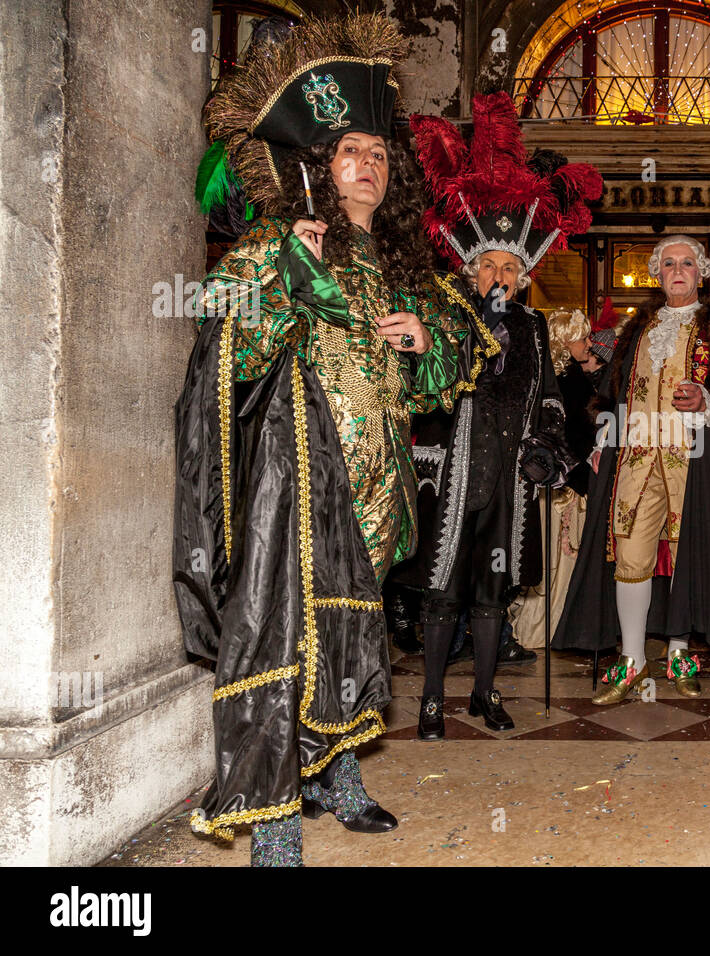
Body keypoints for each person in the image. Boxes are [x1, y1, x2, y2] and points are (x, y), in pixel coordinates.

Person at [173, 13, 481, 866]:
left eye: (381, 155)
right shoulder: (281, 242)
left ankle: (338, 773)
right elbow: (227, 339)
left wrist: (426, 341)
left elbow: (455, 361)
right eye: (352, 151)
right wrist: (282, 271)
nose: (369, 166)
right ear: (317, 164)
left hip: (379, 481)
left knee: (353, 632)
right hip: (297, 474)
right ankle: (274, 819)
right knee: (279, 632)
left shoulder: (410, 271)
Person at [399, 93, 600, 740]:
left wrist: (548, 444)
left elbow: (545, 393)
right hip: (454, 475)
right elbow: (426, 387)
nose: (497, 273)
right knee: (442, 590)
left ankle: (484, 695)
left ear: (524, 273)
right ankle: (432, 701)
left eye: (509, 266)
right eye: (487, 263)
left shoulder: (537, 326)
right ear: (470, 266)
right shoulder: (447, 313)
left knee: (493, 593)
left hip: (510, 480)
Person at [552, 234, 710, 703]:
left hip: (693, 465)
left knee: (684, 556)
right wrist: (604, 439)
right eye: (669, 263)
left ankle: (678, 654)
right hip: (634, 462)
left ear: (702, 272)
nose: (678, 270)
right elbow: (613, 396)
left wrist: (707, 401)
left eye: (687, 263)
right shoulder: (637, 329)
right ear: (657, 273)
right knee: (630, 558)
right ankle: (632, 660)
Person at [511, 308, 604, 648]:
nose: (589, 344)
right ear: (566, 340)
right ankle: (545, 631)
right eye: (583, 337)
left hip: (553, 485)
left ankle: (540, 630)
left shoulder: (552, 376)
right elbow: (567, 437)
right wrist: (582, 475)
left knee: (551, 562)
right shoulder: (567, 381)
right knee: (556, 563)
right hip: (563, 487)